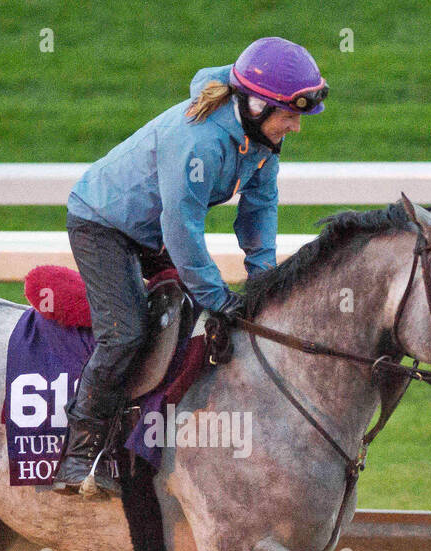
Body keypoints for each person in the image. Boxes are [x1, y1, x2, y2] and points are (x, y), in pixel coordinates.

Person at [53, 36, 328, 496]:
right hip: (103, 224)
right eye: (291, 115)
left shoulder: (260, 138)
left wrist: (264, 281)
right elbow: (182, 228)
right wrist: (217, 296)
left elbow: (260, 207)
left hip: (152, 228)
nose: (296, 127)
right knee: (126, 331)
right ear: (258, 106)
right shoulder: (200, 141)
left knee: (189, 324)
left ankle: (147, 442)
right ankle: (79, 455)